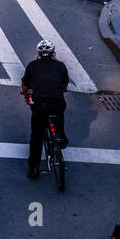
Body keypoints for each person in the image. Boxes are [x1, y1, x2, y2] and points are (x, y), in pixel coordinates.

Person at [22, 39, 70, 179]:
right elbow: (65, 84)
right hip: (56, 104)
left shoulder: (32, 66)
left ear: (38, 52)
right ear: (53, 53)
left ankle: (34, 168)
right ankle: (60, 136)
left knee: (36, 136)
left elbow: (25, 83)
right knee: (59, 113)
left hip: (39, 106)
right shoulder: (61, 66)